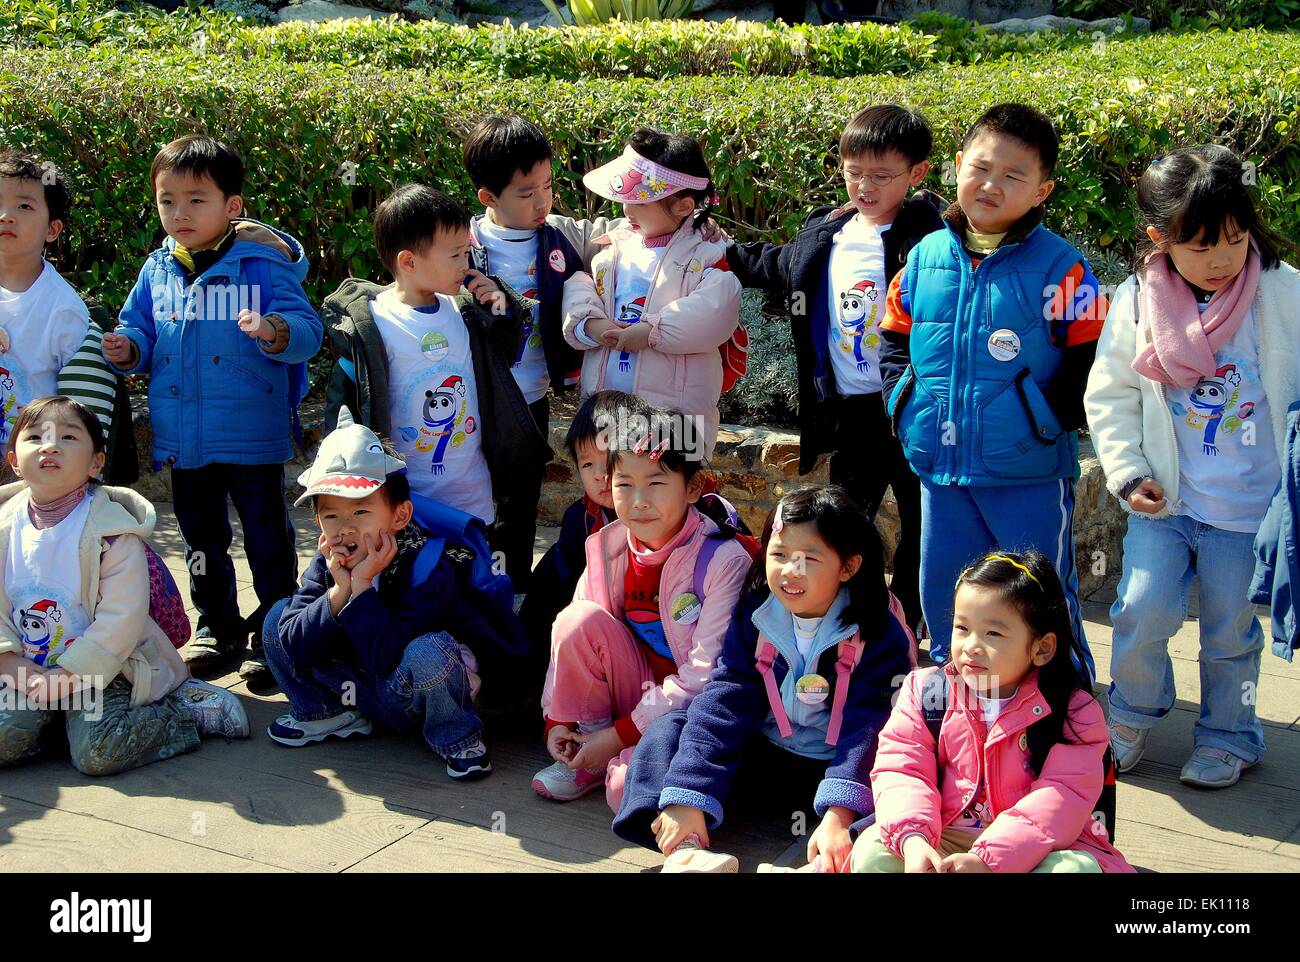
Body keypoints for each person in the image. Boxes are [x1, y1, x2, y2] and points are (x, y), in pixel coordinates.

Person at [1084, 144, 1300, 788]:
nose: (1222, 259)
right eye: (1202, 245)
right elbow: (1112, 392)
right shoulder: (1137, 299)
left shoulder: (1285, 292)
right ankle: (1130, 713)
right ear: (1161, 238)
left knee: (1231, 631)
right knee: (1141, 609)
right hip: (1167, 501)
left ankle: (1231, 733)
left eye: (1234, 239)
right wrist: (1124, 474)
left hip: (1251, 510)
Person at [103, 134, 321, 683]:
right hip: (186, 437)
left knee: (268, 539)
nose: (180, 213)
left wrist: (275, 331)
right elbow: (142, 329)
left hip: (253, 435)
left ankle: (278, 631)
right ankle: (216, 627)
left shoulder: (263, 267)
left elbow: (309, 332)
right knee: (202, 539)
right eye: (167, 200)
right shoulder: (157, 270)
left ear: (233, 207)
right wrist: (129, 348)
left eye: (196, 199)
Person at [613, 486, 915, 873]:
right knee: (670, 729)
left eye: (808, 558)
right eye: (779, 555)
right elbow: (728, 698)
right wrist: (689, 794)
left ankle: (824, 863)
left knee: (900, 793)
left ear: (848, 567)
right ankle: (688, 849)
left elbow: (871, 726)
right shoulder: (757, 612)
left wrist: (840, 812)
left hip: (835, 771)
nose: (790, 571)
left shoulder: (878, 631)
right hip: (765, 759)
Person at [0, 396, 249, 776]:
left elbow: (122, 617)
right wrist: (9, 661)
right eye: (35, 437)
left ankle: (182, 713)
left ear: (97, 461)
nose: (50, 446)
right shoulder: (5, 526)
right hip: (28, 667)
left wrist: (69, 676)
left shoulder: (112, 532)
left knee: (99, 751)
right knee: (4, 735)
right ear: (14, 460)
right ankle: (57, 725)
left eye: (68, 437)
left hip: (107, 668)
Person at [851, 551, 1132, 873]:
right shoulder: (926, 692)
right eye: (962, 628)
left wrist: (988, 860)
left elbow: (1061, 799)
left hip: (1038, 847)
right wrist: (913, 839)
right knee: (873, 851)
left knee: (1073, 870)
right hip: (941, 833)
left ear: (1041, 648)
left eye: (993, 633)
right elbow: (902, 770)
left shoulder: (1074, 713)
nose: (971, 645)